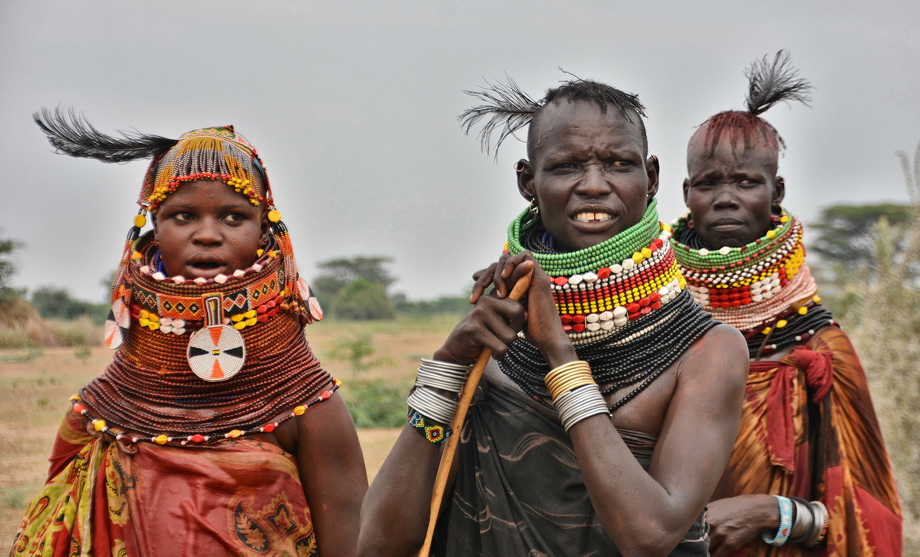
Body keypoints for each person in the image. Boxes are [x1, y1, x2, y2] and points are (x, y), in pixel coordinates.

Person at [358, 78, 749, 555]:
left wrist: (560, 354)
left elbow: (650, 536)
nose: (594, 185)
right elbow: (377, 544)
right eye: (567, 166)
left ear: (651, 177)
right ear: (528, 182)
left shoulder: (709, 351)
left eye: (618, 164)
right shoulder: (497, 337)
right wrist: (449, 366)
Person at [11, 111, 367, 556]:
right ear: (154, 228)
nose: (207, 235)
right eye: (183, 215)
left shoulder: (307, 406)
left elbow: (352, 542)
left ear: (264, 229)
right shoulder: (98, 417)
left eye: (234, 217)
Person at [671, 51, 903, 556]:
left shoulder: (818, 350)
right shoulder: (654, 325)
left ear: (776, 191)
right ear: (687, 193)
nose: (725, 197)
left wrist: (774, 512)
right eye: (708, 183)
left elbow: (865, 514)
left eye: (745, 182)